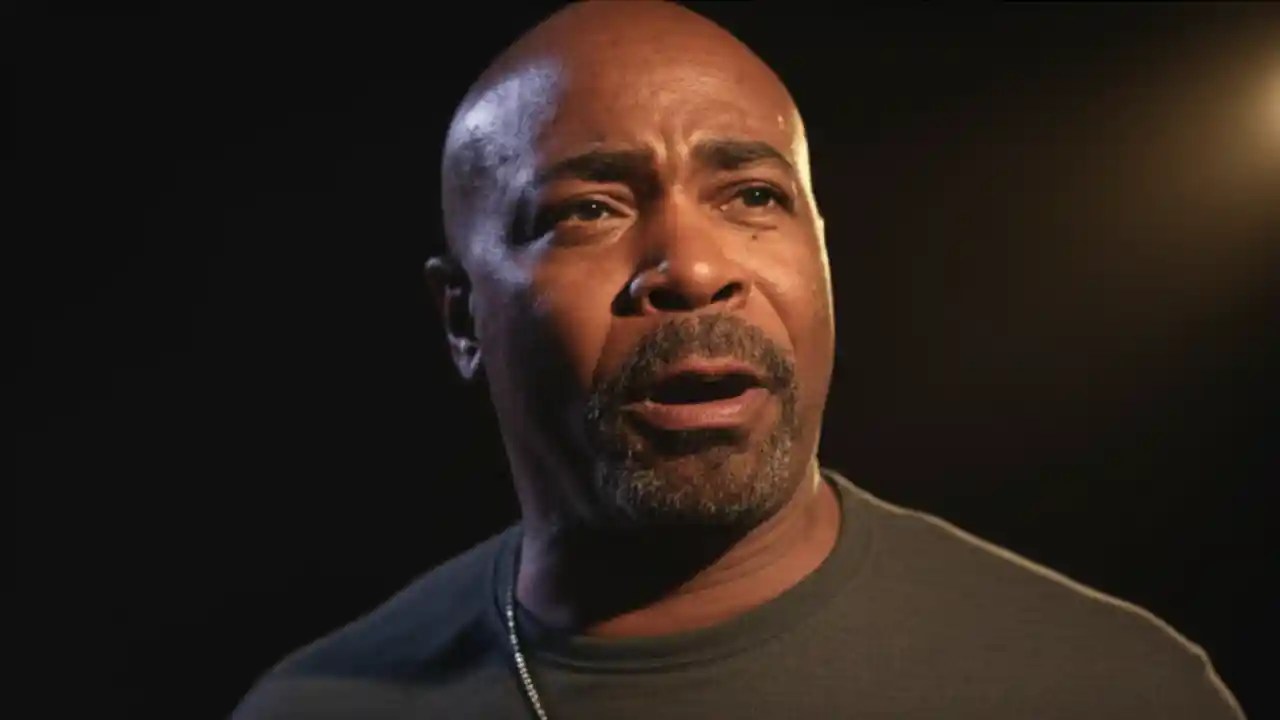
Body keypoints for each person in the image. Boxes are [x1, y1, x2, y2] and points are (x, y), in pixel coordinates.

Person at [232, 2, 1245, 718]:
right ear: (460, 317)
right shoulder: (320, 705)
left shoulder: (1108, 691)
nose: (691, 267)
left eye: (753, 197)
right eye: (588, 210)